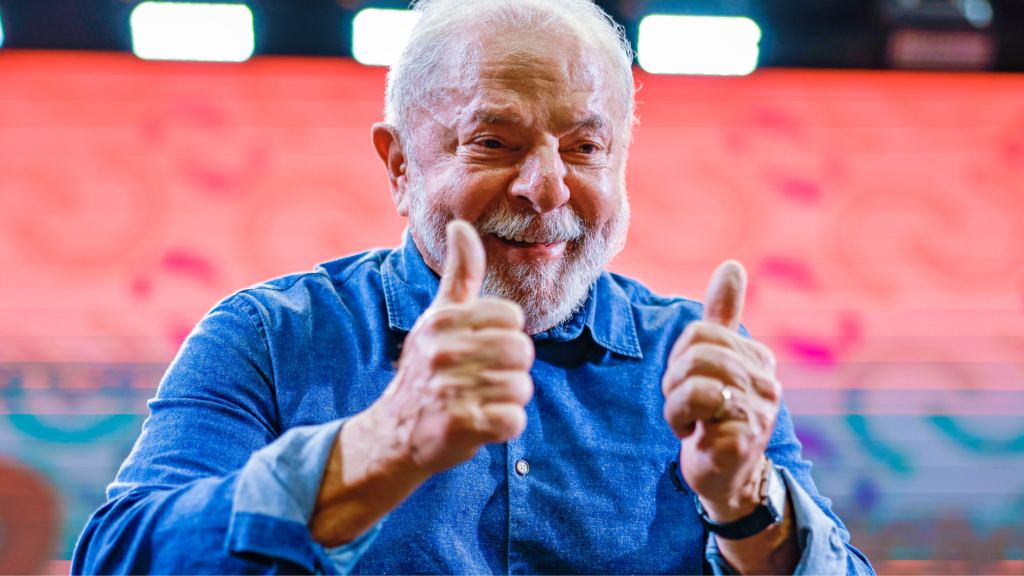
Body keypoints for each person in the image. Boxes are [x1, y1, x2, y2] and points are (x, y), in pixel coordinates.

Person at [73, 0, 873, 574]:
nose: (549, 188)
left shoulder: (697, 360)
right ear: (398, 163)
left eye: (586, 148)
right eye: (495, 141)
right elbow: (117, 558)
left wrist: (747, 505)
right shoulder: (272, 338)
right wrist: (377, 451)